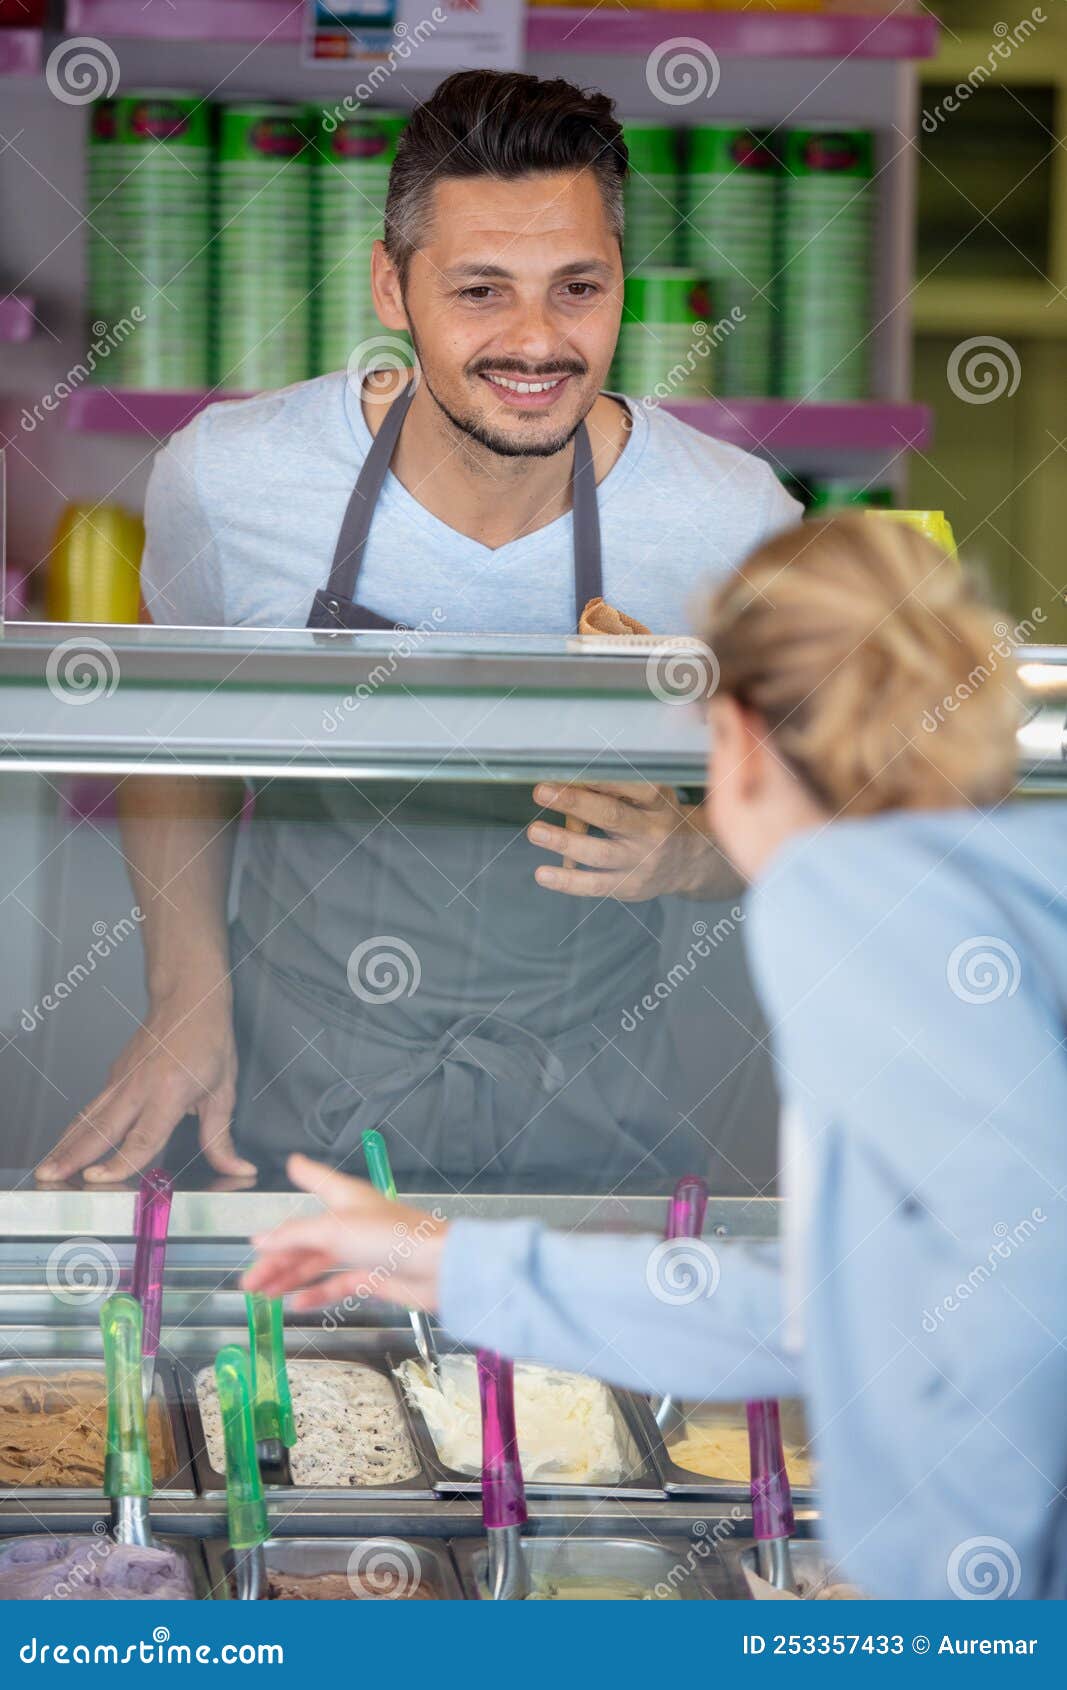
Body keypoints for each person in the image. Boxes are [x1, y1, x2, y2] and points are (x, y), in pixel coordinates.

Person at [244, 515, 1067, 1599]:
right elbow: (817, 1310)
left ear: (734, 733)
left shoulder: (847, 893)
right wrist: (446, 1260)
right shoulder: (998, 867)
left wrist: (961, 1612)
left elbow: (1021, 1278)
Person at [37, 69, 799, 1191]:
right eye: (480, 291)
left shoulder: (734, 522)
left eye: (577, 287)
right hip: (294, 1106)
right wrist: (182, 999)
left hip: (588, 1122)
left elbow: (838, 797)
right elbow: (173, 745)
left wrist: (690, 850)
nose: (536, 343)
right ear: (392, 288)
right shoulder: (235, 481)